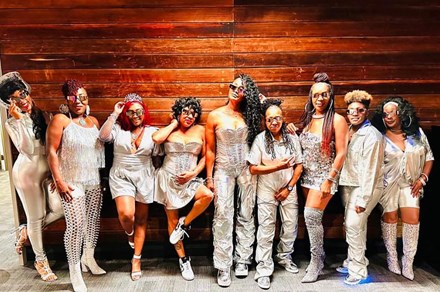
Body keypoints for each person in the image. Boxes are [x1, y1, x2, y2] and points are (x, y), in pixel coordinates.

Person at [0, 71, 63, 282]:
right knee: (35, 217)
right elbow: (28, 149)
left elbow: (52, 147)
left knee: (61, 209)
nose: (23, 100)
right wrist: (20, 120)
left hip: (46, 173)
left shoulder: (43, 115)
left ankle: (25, 231)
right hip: (26, 174)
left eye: (23, 94)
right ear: (10, 103)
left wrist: (56, 173)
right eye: (15, 98)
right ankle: (40, 260)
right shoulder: (12, 123)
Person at [46, 79, 105, 292]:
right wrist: (59, 181)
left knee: (92, 221)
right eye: (73, 97)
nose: (78, 101)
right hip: (70, 181)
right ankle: (74, 270)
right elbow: (51, 151)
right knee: (76, 224)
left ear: (87, 100)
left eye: (83, 97)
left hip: (92, 179)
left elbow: (98, 152)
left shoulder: (94, 122)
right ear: (67, 99)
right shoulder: (60, 120)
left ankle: (88, 258)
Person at [205, 73, 262, 287]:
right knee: (223, 215)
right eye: (233, 85)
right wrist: (209, 178)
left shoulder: (251, 115)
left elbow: (272, 113)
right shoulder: (215, 116)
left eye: (241, 88)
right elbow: (210, 149)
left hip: (246, 168)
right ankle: (223, 265)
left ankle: (243, 259)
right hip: (223, 169)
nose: (235, 89)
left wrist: (256, 98)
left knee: (247, 212)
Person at [371, 96, 434, 281]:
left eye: (392, 112)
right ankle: (392, 257)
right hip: (387, 185)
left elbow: (429, 157)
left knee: (412, 219)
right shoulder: (379, 137)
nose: (388, 116)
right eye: (385, 114)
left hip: (411, 184)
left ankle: (408, 261)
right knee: (390, 218)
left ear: (402, 113)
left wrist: (423, 178)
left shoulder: (417, 134)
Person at [99, 93, 160, 281]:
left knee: (141, 219)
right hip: (121, 174)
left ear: (144, 112)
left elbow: (157, 156)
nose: (135, 115)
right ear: (126, 114)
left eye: (139, 111)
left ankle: (136, 259)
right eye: (131, 112)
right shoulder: (118, 129)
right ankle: (130, 234)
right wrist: (115, 113)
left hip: (144, 174)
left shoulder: (152, 131)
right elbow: (102, 136)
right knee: (127, 215)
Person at [152, 97, 214, 281]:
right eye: (185, 112)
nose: (190, 116)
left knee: (207, 195)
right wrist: (173, 124)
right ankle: (184, 259)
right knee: (170, 220)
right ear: (178, 112)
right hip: (169, 179)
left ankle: (184, 223)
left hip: (190, 179)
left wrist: (193, 173)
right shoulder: (170, 130)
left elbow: (206, 156)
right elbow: (156, 139)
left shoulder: (201, 130)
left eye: (193, 114)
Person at [248, 98, 303, 290]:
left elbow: (299, 166)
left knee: (290, 225)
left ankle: (284, 257)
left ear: (283, 118)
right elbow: (253, 168)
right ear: (265, 120)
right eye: (270, 119)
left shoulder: (292, 138)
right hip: (266, 190)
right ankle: (263, 268)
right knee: (266, 228)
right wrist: (277, 166)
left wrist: (288, 188)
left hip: (289, 188)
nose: (274, 122)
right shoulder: (260, 139)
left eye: (277, 118)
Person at [298, 72, 349, 283]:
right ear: (311, 97)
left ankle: (316, 260)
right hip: (307, 175)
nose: (320, 99)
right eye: (316, 95)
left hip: (325, 176)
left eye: (324, 95)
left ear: (331, 96)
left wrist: (330, 178)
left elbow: (342, 152)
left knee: (310, 215)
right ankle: (318, 255)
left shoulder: (337, 120)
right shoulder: (308, 119)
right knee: (312, 220)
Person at [335, 90, 385, 285]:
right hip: (348, 183)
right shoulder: (348, 130)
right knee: (352, 225)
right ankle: (354, 260)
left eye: (359, 110)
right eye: (350, 110)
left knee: (355, 225)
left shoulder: (372, 135)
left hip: (366, 186)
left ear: (366, 111)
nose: (354, 114)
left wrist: (363, 199)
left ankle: (359, 271)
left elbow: (370, 170)